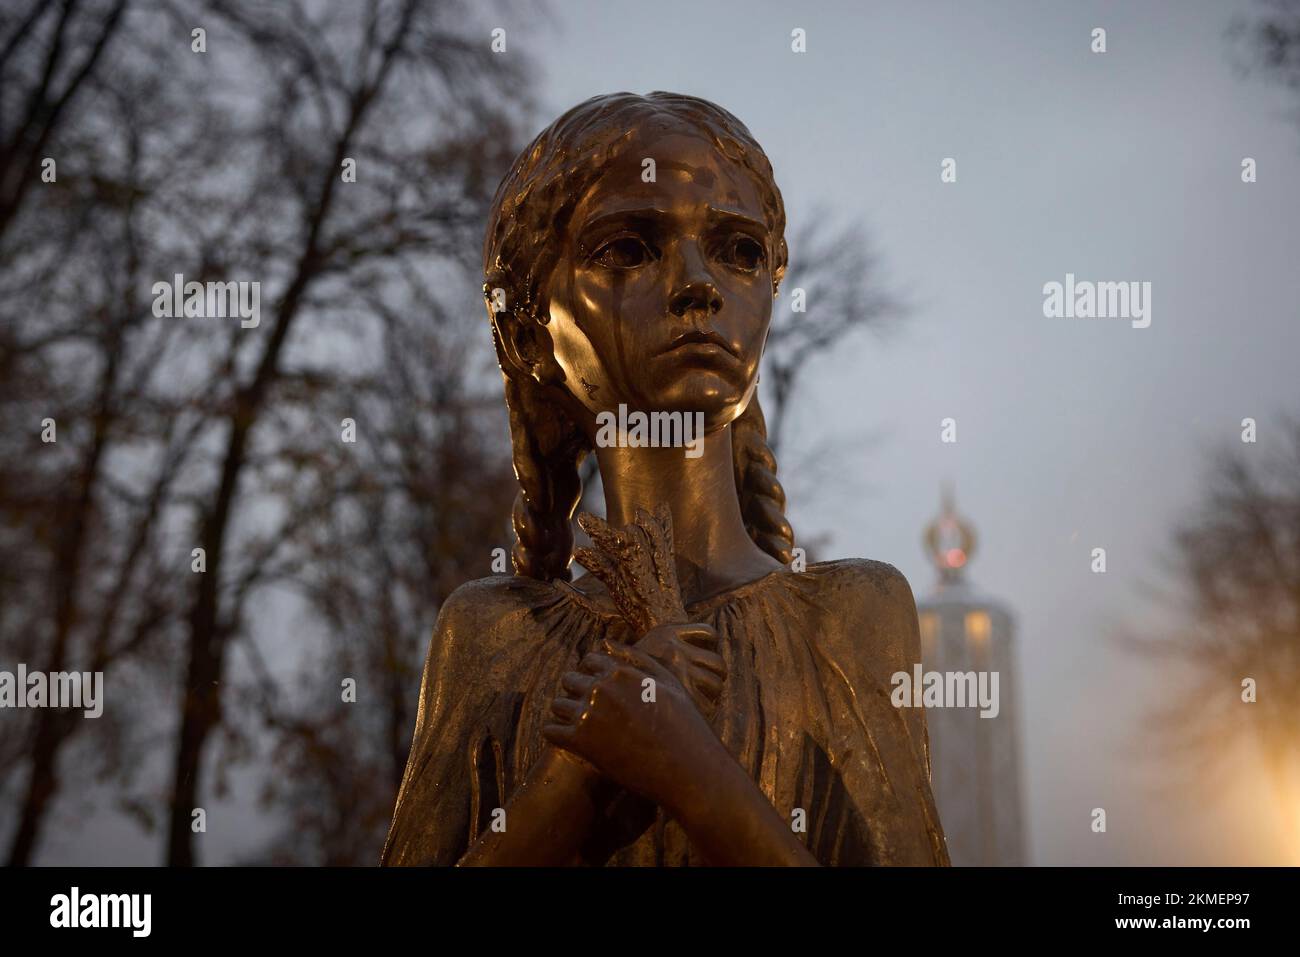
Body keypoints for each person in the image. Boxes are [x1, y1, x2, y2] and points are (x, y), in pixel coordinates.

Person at [381, 92, 950, 866]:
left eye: (739, 251)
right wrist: (577, 774)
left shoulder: (852, 619)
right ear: (528, 333)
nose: (698, 285)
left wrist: (694, 773)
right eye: (628, 247)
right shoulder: (491, 637)